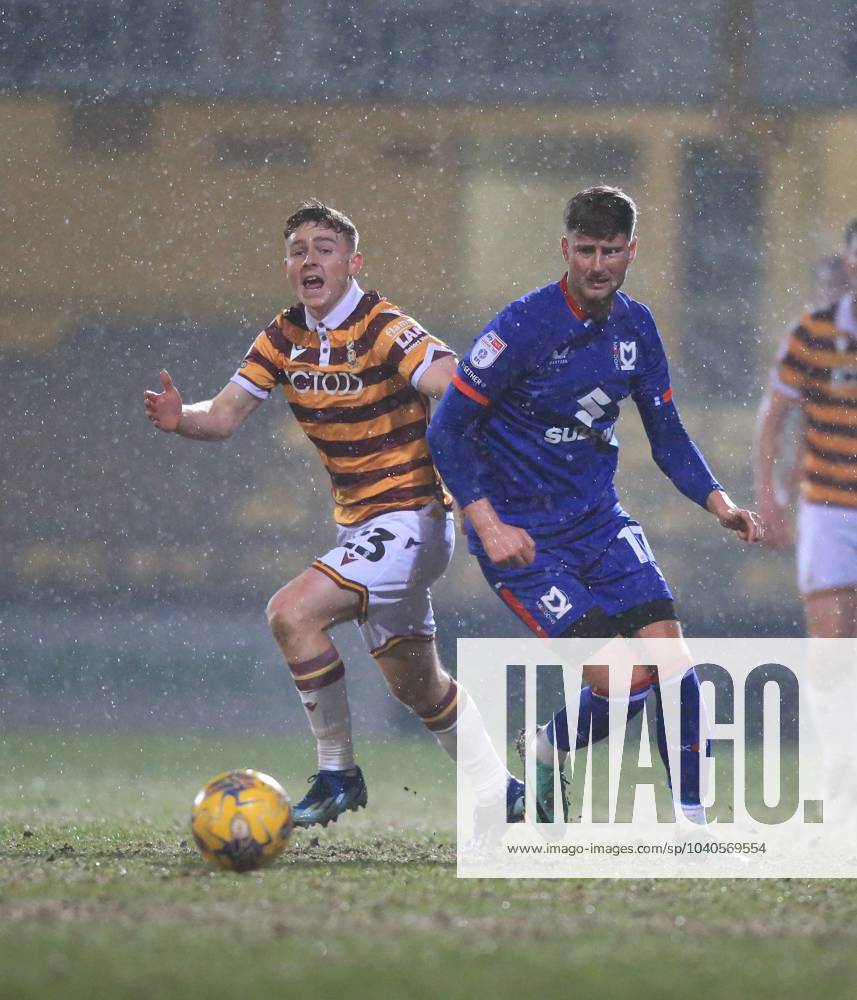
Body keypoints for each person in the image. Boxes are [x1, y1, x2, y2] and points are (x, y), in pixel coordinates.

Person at [145, 199, 523, 833]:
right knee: (418, 687)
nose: (309, 259)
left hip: (411, 518)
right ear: (287, 267)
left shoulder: (381, 324)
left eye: (324, 248)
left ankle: (338, 773)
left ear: (353, 262)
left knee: (291, 614)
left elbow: (448, 377)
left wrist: (461, 390)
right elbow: (226, 414)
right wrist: (181, 417)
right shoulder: (283, 336)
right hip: (363, 528)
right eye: (298, 250)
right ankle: (505, 792)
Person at [427, 186, 763, 823]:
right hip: (524, 539)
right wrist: (487, 523)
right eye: (586, 250)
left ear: (632, 251)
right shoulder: (522, 325)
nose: (598, 265)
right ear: (565, 249)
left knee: (675, 670)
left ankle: (694, 831)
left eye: (611, 251)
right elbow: (446, 430)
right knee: (626, 684)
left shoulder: (637, 327)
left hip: (599, 523)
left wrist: (719, 503)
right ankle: (549, 745)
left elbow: (667, 434)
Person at [755, 219, 857, 638]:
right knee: (833, 647)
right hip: (829, 507)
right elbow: (776, 417)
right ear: (849, 262)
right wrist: (770, 495)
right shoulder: (811, 333)